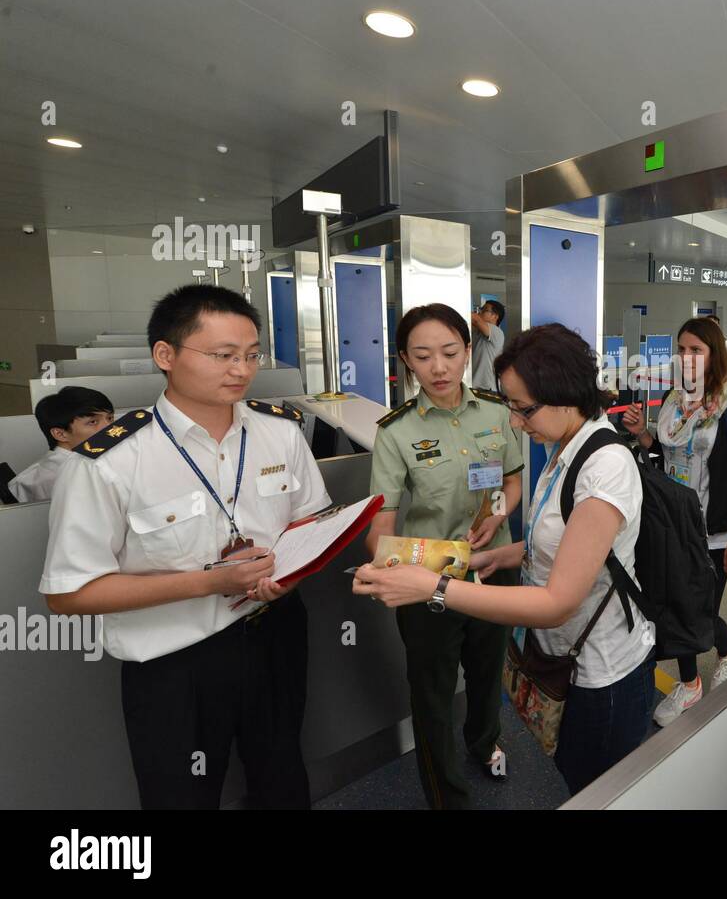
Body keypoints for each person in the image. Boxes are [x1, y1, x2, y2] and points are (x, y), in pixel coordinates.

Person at [40, 285, 329, 809]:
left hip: (275, 636)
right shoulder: (108, 462)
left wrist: (291, 576)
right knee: (180, 796)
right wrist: (211, 583)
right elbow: (69, 594)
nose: (241, 369)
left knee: (282, 778)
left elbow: (309, 521)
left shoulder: (280, 432)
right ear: (165, 356)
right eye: (222, 356)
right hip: (175, 662)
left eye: (250, 354)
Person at [353, 324, 655, 795]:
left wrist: (435, 587)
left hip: (601, 668)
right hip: (560, 652)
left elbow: (557, 601)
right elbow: (563, 543)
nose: (514, 422)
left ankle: (485, 742)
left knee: (597, 788)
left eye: (522, 408)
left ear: (564, 392)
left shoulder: (604, 466)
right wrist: (504, 553)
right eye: (511, 405)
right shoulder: (564, 450)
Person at [365, 304, 524, 809]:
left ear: (467, 350)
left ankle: (483, 743)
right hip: (428, 576)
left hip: (493, 567)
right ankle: (445, 792)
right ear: (405, 362)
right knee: (432, 691)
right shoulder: (395, 432)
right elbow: (382, 516)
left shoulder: (498, 411)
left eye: (450, 352)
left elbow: (512, 477)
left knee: (486, 670)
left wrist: (497, 515)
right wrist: (387, 563)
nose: (438, 367)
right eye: (423, 355)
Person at [623, 317, 727, 726]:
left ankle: (726, 648)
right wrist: (644, 435)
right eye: (681, 349)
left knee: (697, 610)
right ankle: (689, 683)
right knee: (674, 605)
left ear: (714, 354)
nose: (686, 357)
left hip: (715, 532)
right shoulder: (672, 400)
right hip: (671, 523)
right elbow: (665, 456)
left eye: (696, 350)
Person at [7, 386, 115, 503]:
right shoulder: (46, 479)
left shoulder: (94, 462)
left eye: (110, 418)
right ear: (60, 434)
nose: (110, 427)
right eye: (93, 422)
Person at [469, 299, 506, 392]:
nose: (480, 312)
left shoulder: (496, 331)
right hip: (474, 385)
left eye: (484, 310)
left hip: (487, 387)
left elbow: (476, 320)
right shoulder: (477, 332)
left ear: (495, 316)